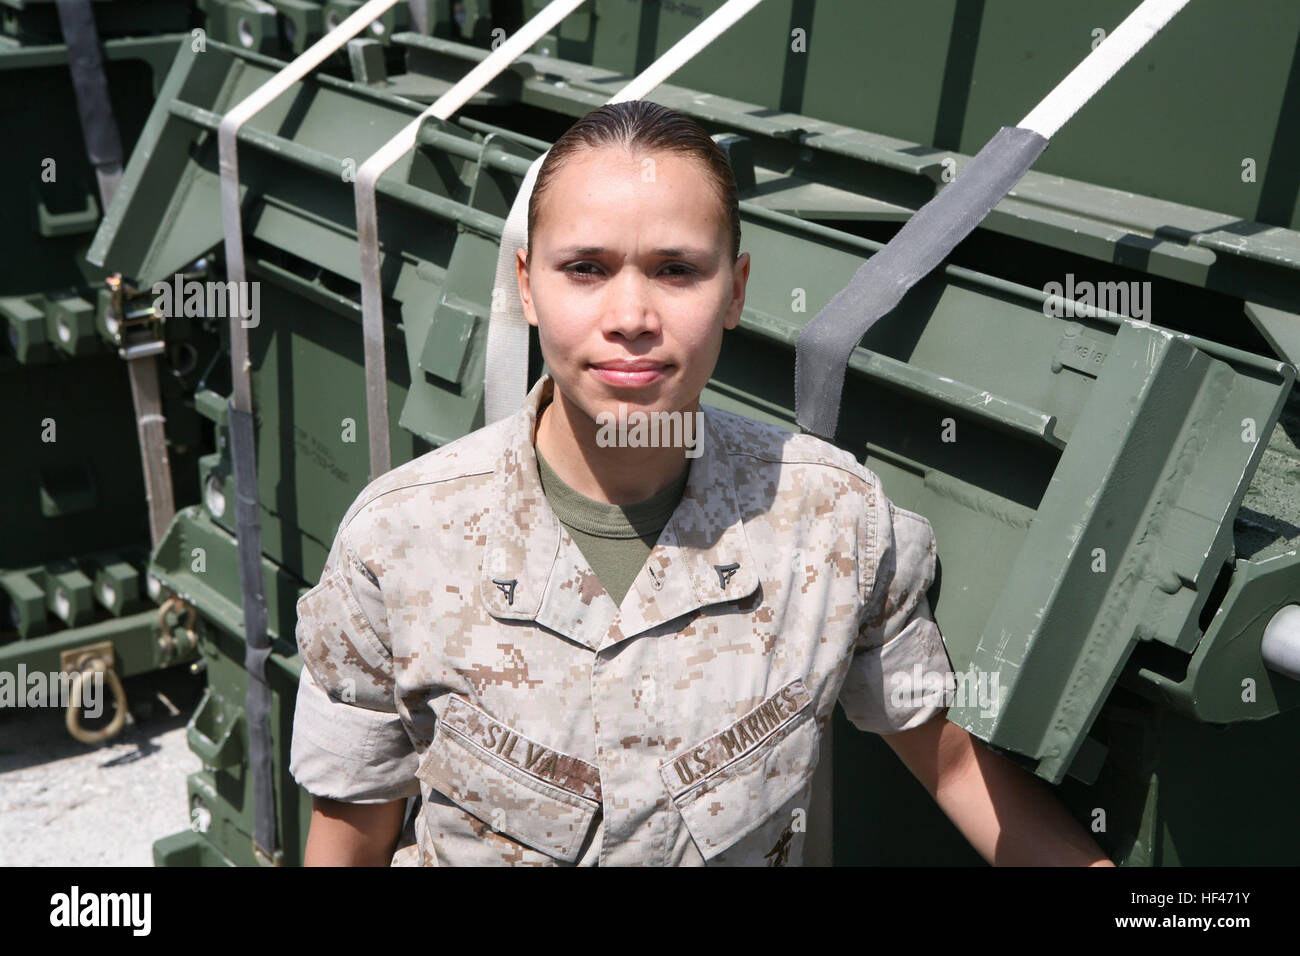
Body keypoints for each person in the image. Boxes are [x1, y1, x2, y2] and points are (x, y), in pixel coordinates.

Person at [289, 100, 1114, 867]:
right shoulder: (400, 542)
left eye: (676, 270)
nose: (632, 316)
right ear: (527, 286)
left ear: (736, 291)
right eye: (585, 268)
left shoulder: (832, 524)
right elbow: (351, 830)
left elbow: (952, 766)